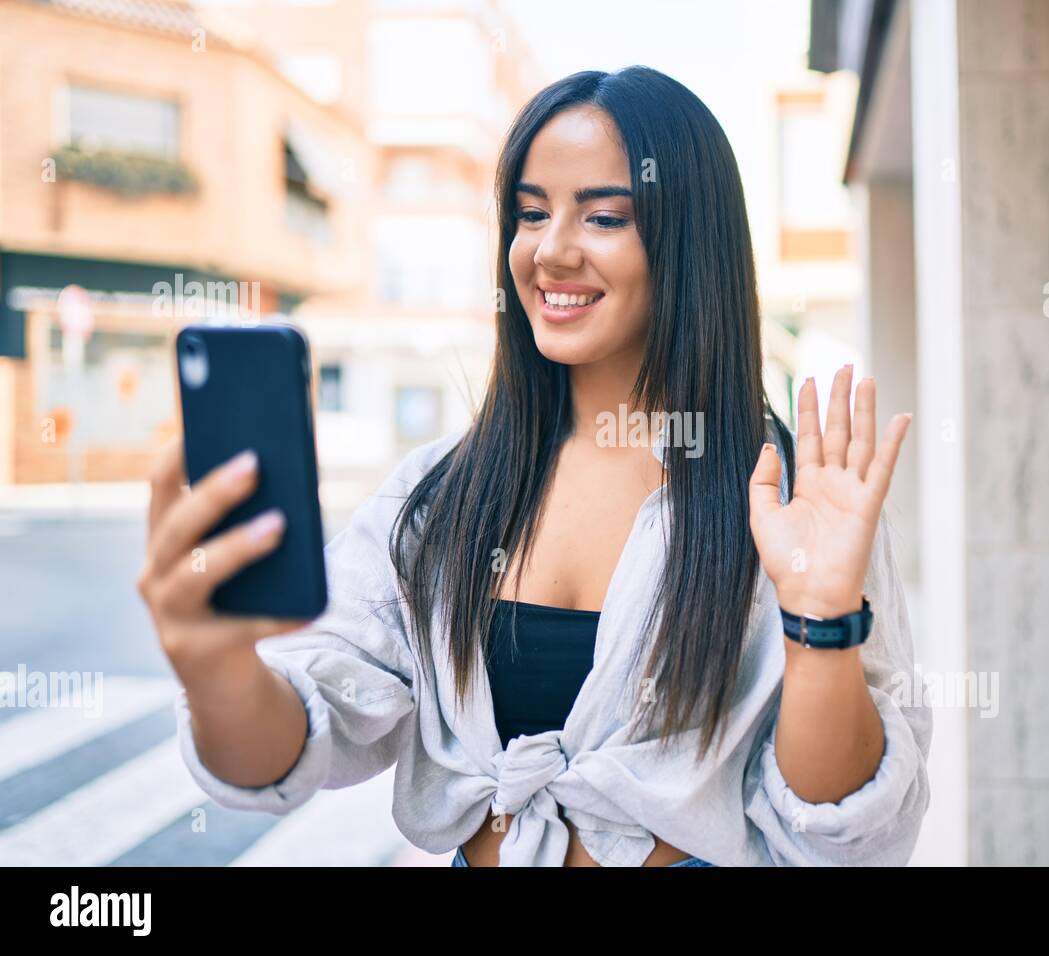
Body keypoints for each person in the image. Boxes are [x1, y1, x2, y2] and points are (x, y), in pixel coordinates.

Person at [137, 65, 931, 867]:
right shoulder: (442, 493)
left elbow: (847, 834)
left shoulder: (784, 501)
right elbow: (280, 754)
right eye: (530, 213)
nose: (551, 251)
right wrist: (217, 668)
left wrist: (821, 620)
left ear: (691, 239)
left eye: (604, 216)